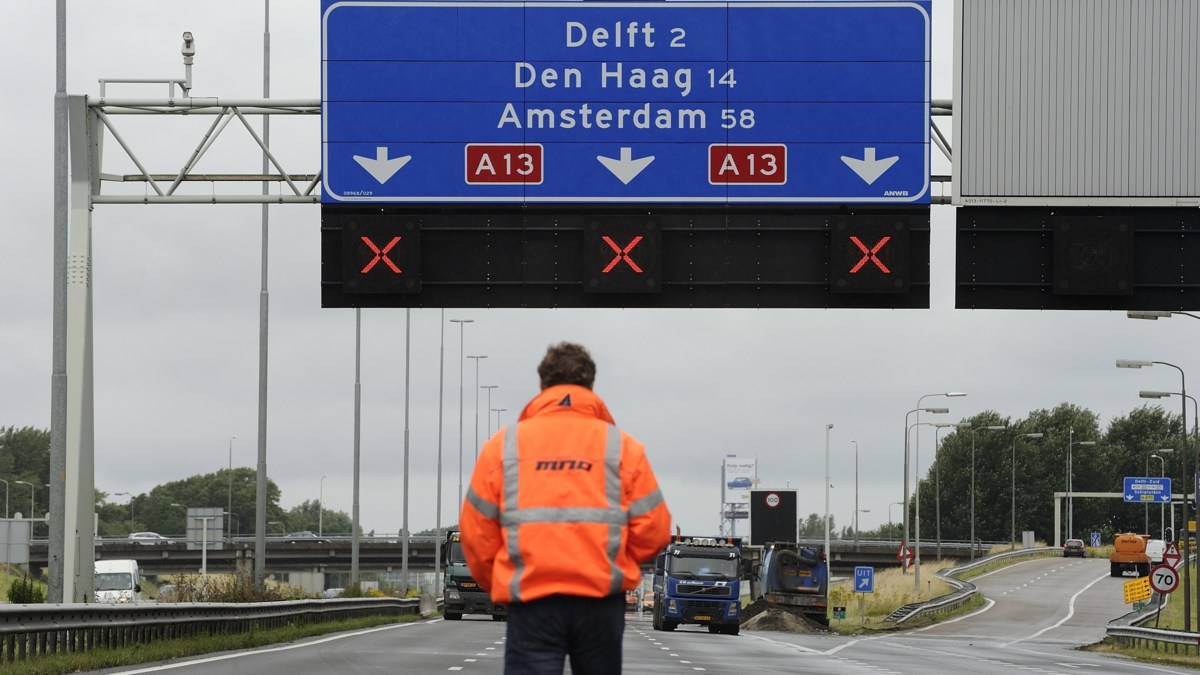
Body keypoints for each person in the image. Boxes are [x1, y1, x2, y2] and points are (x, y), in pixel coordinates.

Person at [461, 342, 672, 675]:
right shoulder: (622, 448)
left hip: (531, 602)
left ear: (543, 385)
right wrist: (614, 566)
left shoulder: (503, 447)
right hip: (600, 602)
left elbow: (476, 534)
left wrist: (504, 581)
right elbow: (656, 530)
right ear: (590, 385)